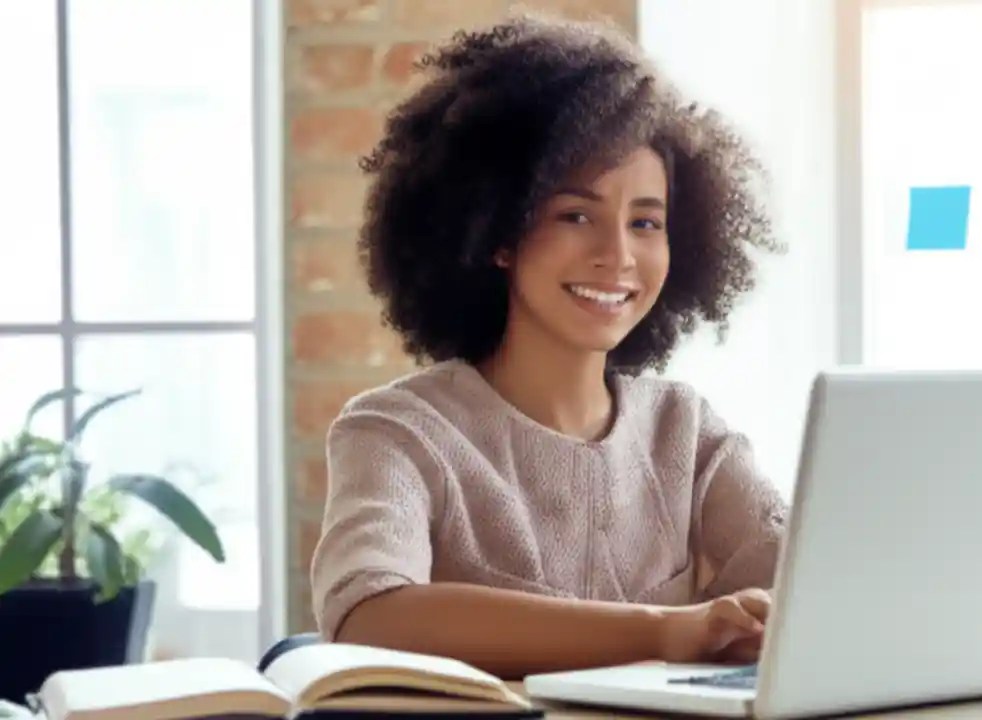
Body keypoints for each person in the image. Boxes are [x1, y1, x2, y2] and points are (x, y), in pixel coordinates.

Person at [309, 11, 788, 680]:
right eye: (576, 215)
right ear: (497, 232)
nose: (618, 256)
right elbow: (369, 616)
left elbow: (813, 584)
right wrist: (669, 631)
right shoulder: (397, 432)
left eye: (645, 221)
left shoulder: (687, 433)